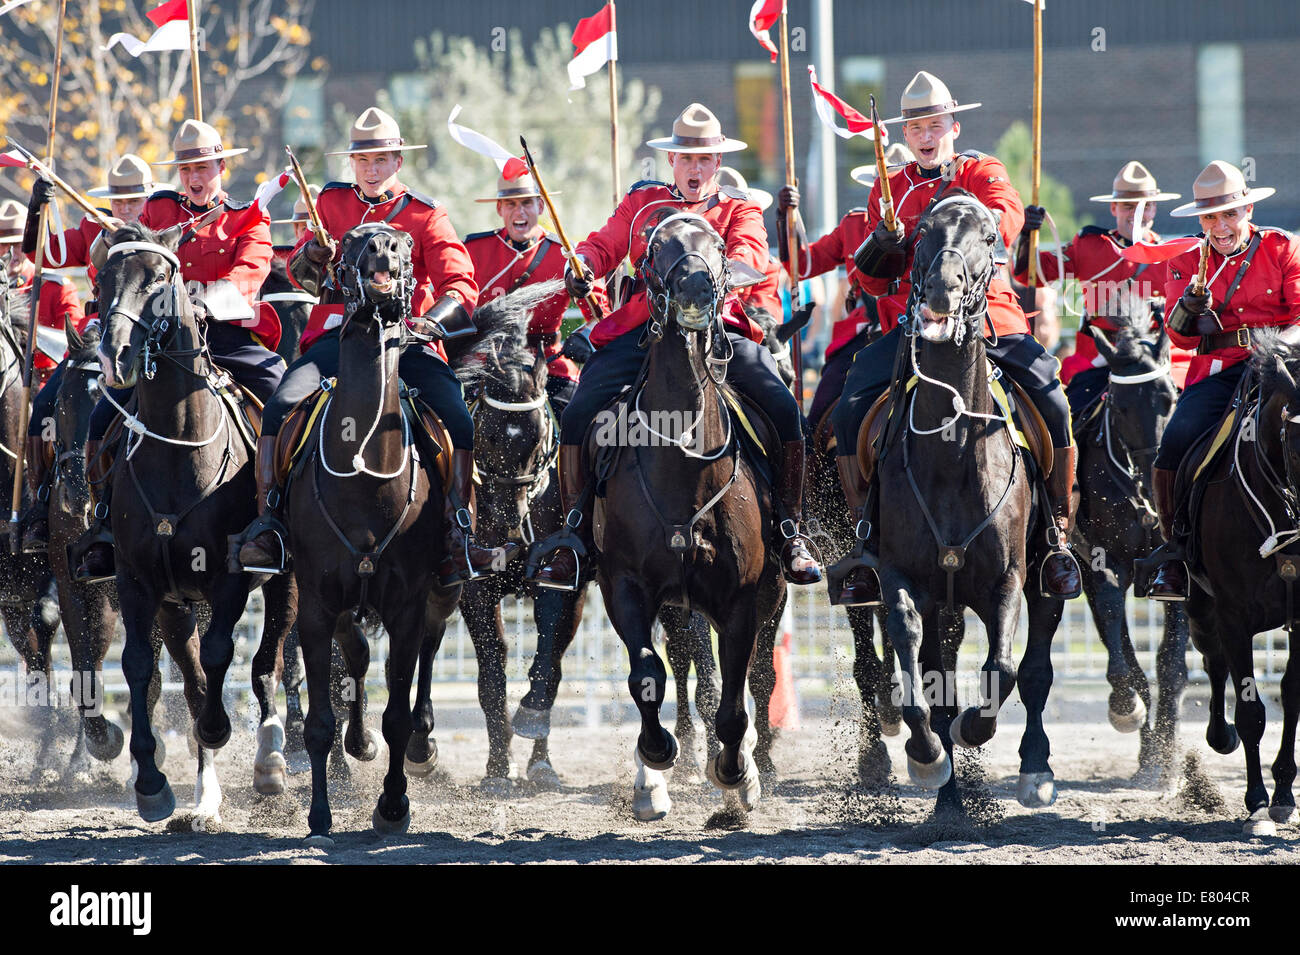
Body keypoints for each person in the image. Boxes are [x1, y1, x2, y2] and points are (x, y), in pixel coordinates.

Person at [527, 103, 820, 590]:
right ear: (672, 162)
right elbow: (604, 244)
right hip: (645, 331)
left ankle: (790, 528)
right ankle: (574, 533)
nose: (696, 168)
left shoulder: (738, 207)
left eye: (706, 159)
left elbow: (748, 257)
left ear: (718, 162)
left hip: (718, 331)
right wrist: (581, 263)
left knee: (785, 410)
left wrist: (709, 282)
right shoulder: (640, 203)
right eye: (687, 158)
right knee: (579, 413)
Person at [826, 70, 1080, 606]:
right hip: (915, 330)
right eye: (915, 124)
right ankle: (866, 541)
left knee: (1052, 400)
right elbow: (871, 282)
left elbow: (1005, 220)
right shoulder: (887, 190)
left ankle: (1056, 530)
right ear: (904, 133)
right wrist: (881, 243)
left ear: (953, 125)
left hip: (989, 322)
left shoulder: (981, 171)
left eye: (934, 122)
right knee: (849, 412)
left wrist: (951, 225)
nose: (924, 133)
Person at [236, 107, 514, 584]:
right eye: (363, 158)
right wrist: (312, 255)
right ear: (353, 163)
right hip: (338, 336)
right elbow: (308, 278)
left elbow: (460, 285)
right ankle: (270, 525)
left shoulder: (426, 214)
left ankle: (458, 533)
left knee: (457, 417)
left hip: (406, 340)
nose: (371, 167)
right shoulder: (330, 203)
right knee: (282, 404)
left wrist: (427, 327)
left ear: (397, 161)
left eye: (380, 158)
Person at [73, 119, 287, 583]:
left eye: (203, 166)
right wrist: (112, 239)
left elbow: (250, 274)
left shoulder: (248, 217)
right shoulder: (158, 211)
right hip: (162, 343)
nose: (194, 176)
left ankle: (275, 517)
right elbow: (122, 258)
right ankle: (106, 524)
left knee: (280, 396)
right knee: (102, 414)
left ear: (221, 167)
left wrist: (200, 300)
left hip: (227, 338)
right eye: (187, 167)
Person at [1146, 161, 1300, 600]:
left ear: (1247, 210)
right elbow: (1178, 336)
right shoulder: (1186, 259)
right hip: (1220, 369)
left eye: (1229, 214)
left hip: (1282, 364)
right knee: (1175, 441)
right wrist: (1189, 308)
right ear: (1200, 219)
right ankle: (1174, 553)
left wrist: (1274, 350)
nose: (1220, 226)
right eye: (1211, 217)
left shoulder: (1281, 247)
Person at [18, 154, 161, 552]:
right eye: (119, 201)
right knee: (46, 406)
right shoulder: (94, 230)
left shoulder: (163, 231)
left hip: (150, 331)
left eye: (133, 201)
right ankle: (42, 501)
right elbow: (42, 254)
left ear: (148, 200)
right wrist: (38, 206)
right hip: (101, 329)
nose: (125, 209)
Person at [1017, 160, 1192, 414]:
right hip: (1101, 359)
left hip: (1156, 358)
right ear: (1114, 207)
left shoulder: (1171, 256)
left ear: (1155, 209)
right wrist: (1026, 235)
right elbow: (1030, 275)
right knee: (1070, 416)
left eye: (1146, 206)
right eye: (1129, 206)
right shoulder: (1090, 245)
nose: (1138, 213)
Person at [775, 143, 914, 433]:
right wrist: (789, 218)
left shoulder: (931, 221)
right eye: (887, 182)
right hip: (864, 333)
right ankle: (820, 474)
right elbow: (804, 263)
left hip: (919, 327)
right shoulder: (853, 225)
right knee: (822, 409)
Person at [463, 170, 607, 416]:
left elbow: (601, 314)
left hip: (548, 364)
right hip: (486, 366)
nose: (520, 212)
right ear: (500, 208)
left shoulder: (565, 255)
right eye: (511, 204)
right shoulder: (474, 250)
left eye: (527, 203)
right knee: (454, 426)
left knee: (584, 419)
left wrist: (584, 336)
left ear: (541, 206)